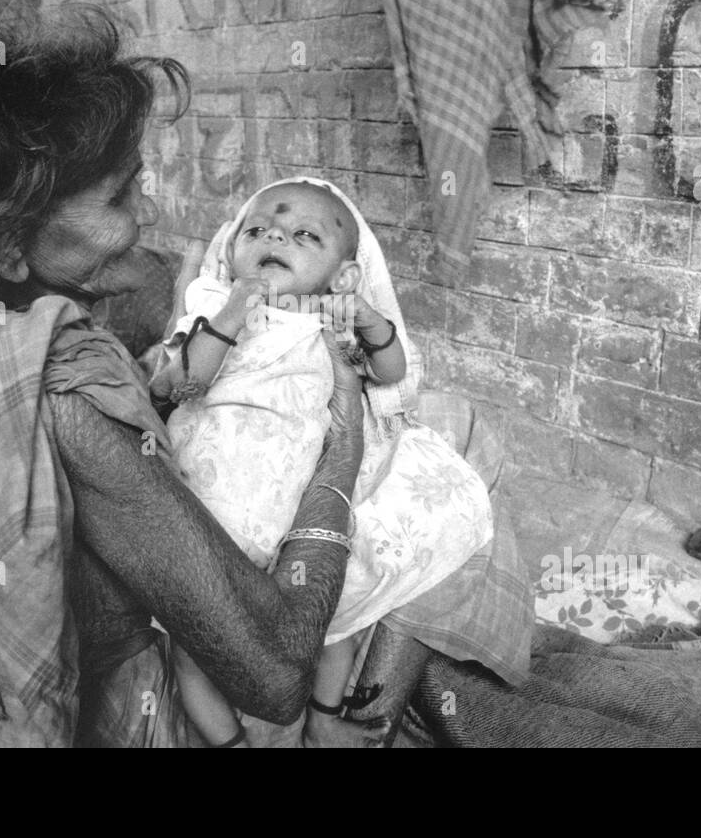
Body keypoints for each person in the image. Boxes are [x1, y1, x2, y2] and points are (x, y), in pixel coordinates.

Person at [0, 0, 377, 746]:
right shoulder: (70, 400)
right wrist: (344, 454)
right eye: (119, 196)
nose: (149, 207)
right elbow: (274, 673)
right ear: (11, 247)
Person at [152, 177, 501, 747]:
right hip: (211, 507)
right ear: (229, 249)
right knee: (190, 646)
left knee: (338, 613)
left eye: (303, 235)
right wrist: (236, 307)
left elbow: (391, 375)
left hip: (299, 509)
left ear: (342, 275)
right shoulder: (212, 304)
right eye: (257, 230)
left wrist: (369, 320)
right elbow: (185, 382)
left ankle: (322, 715)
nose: (276, 238)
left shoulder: (332, 315)